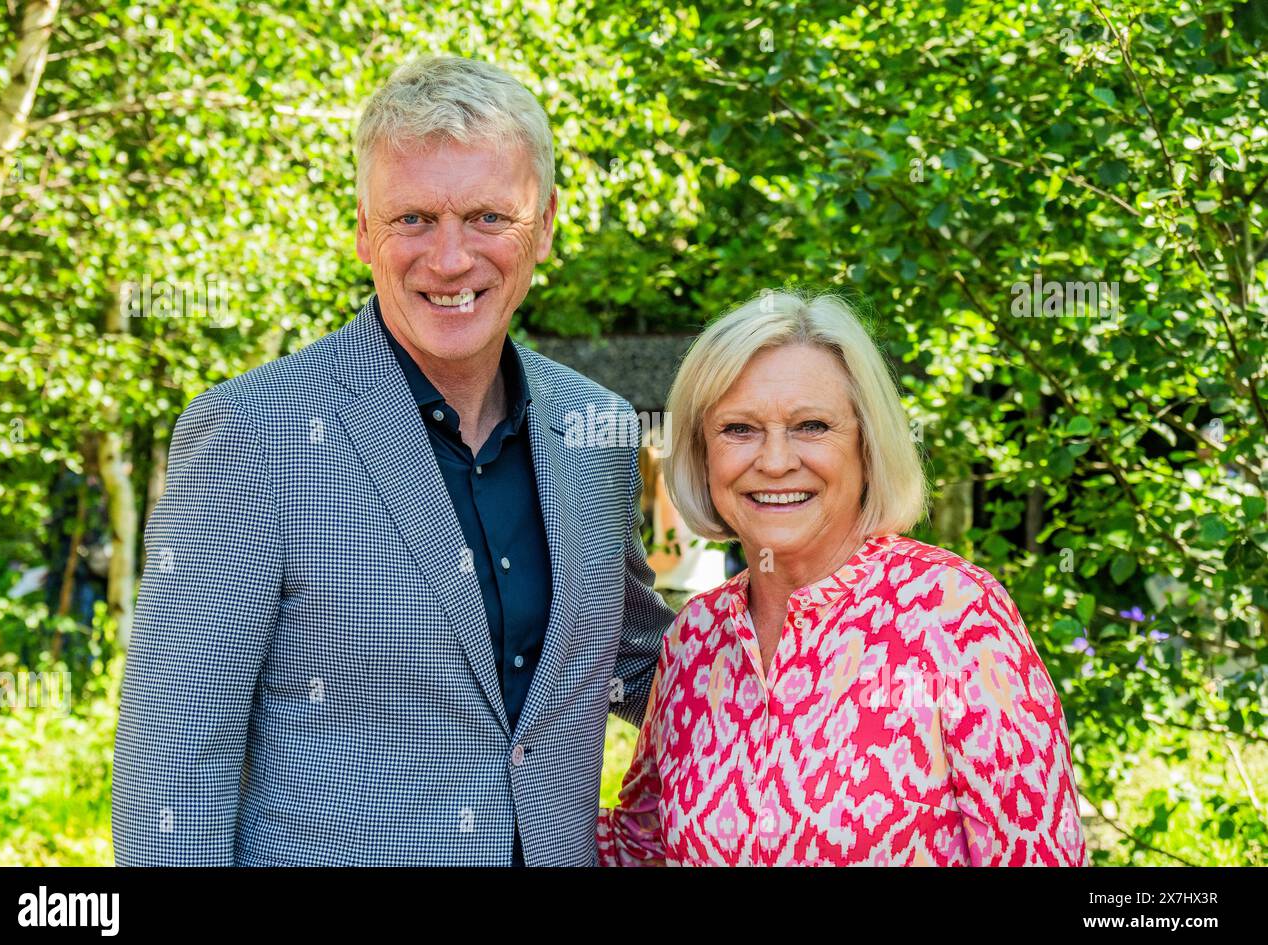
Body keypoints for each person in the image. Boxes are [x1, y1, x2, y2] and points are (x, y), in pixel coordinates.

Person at [112, 55, 673, 866]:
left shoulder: (597, 431)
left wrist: (846, 639)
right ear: (363, 231)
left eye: (488, 217)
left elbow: (632, 658)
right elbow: (173, 754)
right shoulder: (251, 432)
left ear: (545, 225)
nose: (450, 259)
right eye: (413, 219)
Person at [597, 289, 1087, 866]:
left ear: (867, 444)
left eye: (811, 426)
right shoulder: (697, 638)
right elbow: (640, 847)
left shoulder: (956, 615)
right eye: (738, 429)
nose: (775, 461)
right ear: (702, 454)